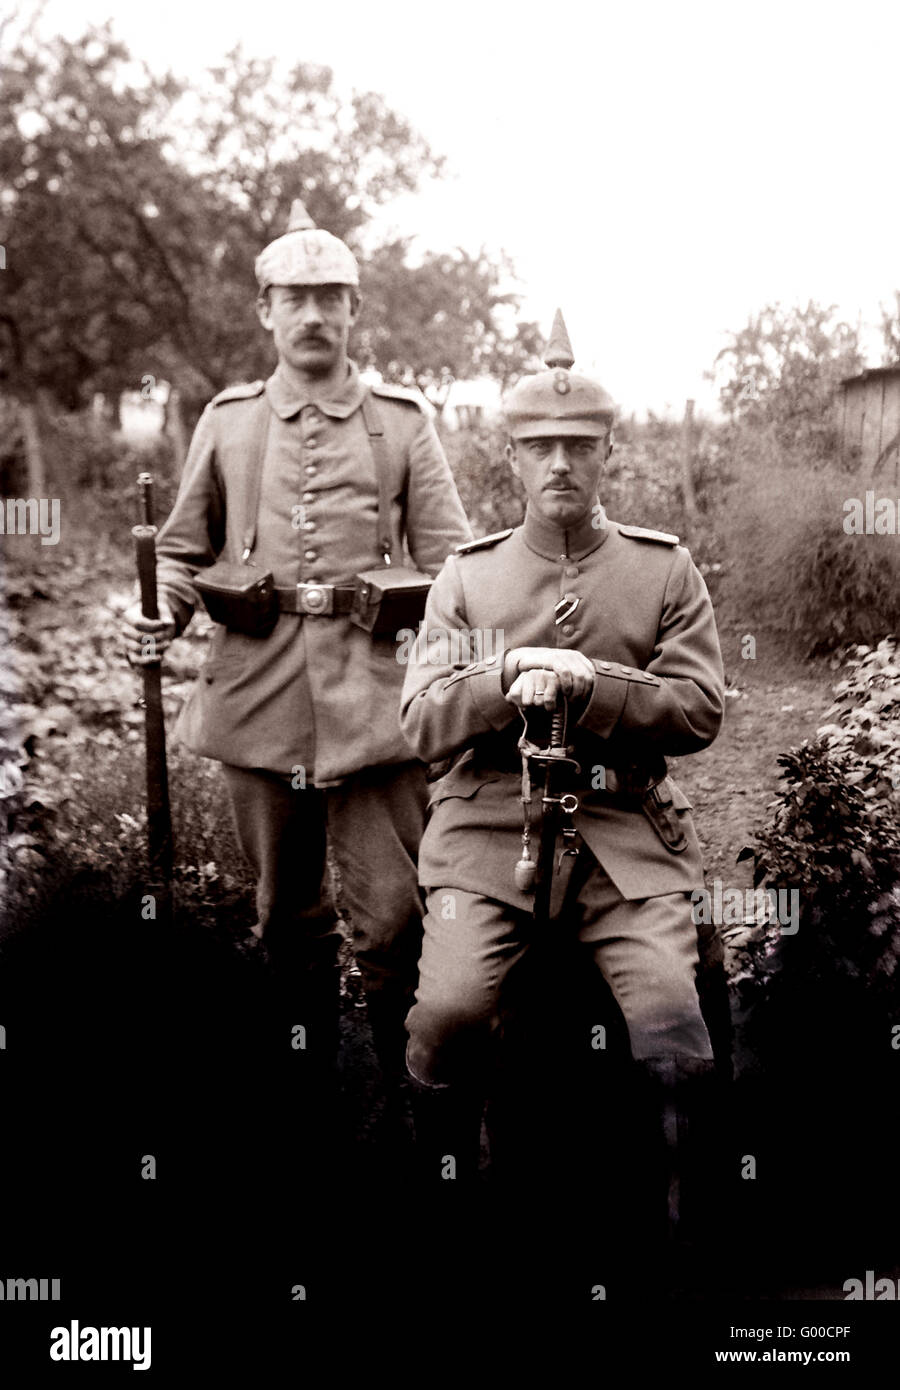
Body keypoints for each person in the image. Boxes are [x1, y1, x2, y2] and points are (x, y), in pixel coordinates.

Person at [122, 200, 472, 1123]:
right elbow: (184, 552)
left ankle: (414, 1097)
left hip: (377, 703)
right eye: (294, 298)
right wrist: (163, 612)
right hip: (258, 693)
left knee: (395, 917)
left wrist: (427, 630)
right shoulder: (230, 422)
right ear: (265, 313)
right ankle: (306, 1095)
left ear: (355, 312)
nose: (314, 315)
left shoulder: (401, 422)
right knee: (286, 920)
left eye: (331, 298)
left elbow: (454, 561)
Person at [399, 311, 731, 1276]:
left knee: (672, 1018)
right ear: (512, 457)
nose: (560, 465)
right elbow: (420, 719)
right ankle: (446, 1211)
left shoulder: (661, 569)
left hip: (624, 833)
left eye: (578, 446)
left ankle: (683, 1242)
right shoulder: (468, 578)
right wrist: (503, 677)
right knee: (450, 1012)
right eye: (540, 447)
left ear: (608, 453)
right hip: (487, 829)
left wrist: (595, 687)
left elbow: (701, 710)